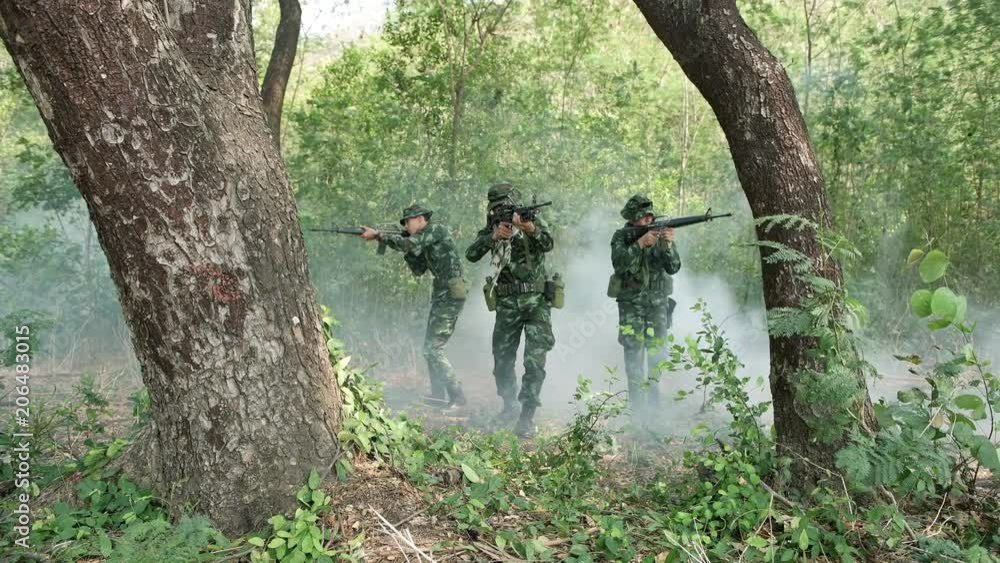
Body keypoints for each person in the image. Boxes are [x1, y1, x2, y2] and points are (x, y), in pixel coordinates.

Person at [466, 182, 555, 438]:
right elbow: (471, 254)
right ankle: (509, 406)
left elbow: (548, 243)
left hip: (537, 304)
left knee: (534, 362)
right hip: (506, 305)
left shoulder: (532, 221)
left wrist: (529, 228)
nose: (503, 212)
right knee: (503, 361)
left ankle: (527, 417)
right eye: (498, 208)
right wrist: (494, 236)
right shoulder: (492, 229)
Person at [361, 204, 467, 407]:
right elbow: (418, 269)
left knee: (433, 349)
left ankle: (458, 397)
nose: (406, 226)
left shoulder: (436, 230)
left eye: (407, 222)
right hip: (441, 293)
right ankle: (438, 396)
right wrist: (406, 249)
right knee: (429, 348)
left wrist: (379, 236)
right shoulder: (424, 242)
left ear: (420, 219)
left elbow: (409, 244)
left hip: (451, 292)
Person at [609, 194, 681, 421]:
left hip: (658, 304)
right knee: (633, 354)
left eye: (649, 216)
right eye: (642, 217)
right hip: (631, 304)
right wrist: (640, 244)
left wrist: (667, 244)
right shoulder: (621, 237)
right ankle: (638, 411)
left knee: (657, 353)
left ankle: (654, 402)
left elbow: (674, 267)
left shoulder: (660, 235)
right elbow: (620, 265)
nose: (647, 220)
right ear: (632, 220)